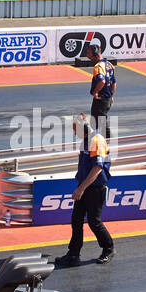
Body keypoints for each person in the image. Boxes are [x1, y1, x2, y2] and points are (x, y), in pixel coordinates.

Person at [55, 114, 115, 267]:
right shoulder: (86, 141)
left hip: (94, 188)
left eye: (75, 128)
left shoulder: (96, 141)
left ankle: (108, 248)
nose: (74, 132)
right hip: (84, 186)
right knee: (76, 220)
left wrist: (81, 189)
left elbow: (97, 168)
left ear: (84, 127)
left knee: (94, 222)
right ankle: (73, 254)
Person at [84, 42, 116, 138]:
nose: (87, 55)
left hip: (100, 99)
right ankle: (104, 141)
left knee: (98, 123)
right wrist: (111, 96)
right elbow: (114, 82)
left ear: (95, 53)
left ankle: (104, 143)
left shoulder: (98, 66)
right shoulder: (109, 64)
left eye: (89, 53)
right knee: (101, 121)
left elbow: (101, 81)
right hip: (108, 98)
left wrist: (95, 92)